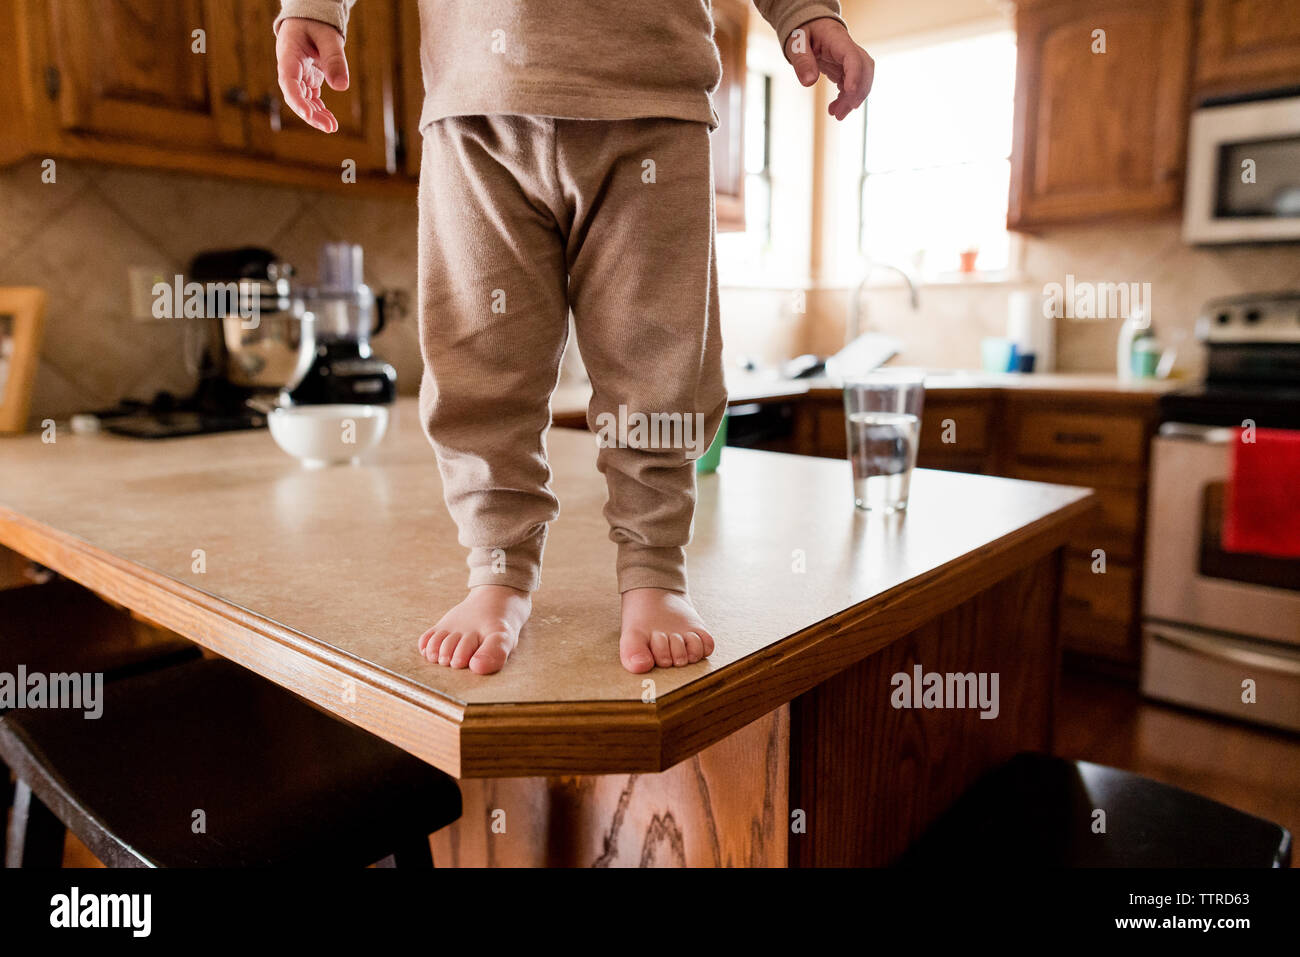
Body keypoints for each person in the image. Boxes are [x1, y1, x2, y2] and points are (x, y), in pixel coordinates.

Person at [274, 0, 874, 674]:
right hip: (476, 99)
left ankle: (654, 569)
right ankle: (497, 566)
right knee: (478, 359)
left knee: (662, 358)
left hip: (653, 92)